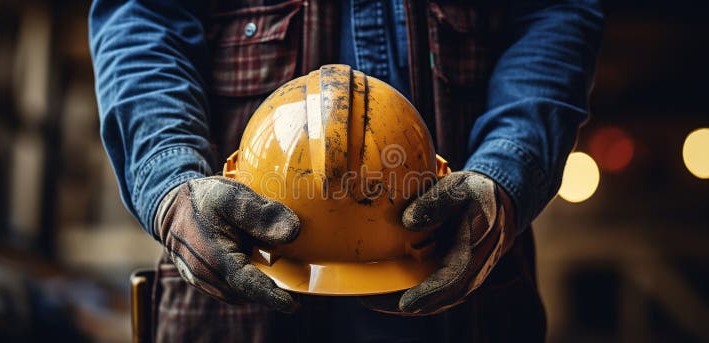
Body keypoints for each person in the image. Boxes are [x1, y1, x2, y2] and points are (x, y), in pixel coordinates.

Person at [89, 0, 603, 342]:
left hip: (463, 291)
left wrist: (507, 174)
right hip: (231, 294)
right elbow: (142, 15)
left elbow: (553, 14)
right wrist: (171, 184)